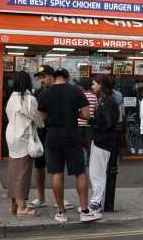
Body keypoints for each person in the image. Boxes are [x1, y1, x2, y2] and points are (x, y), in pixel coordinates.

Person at [37, 68, 101, 223]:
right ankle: (85, 211)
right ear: (68, 77)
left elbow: (42, 119)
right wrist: (75, 113)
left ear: (54, 77)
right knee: (80, 173)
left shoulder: (45, 93)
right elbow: (86, 115)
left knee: (57, 173)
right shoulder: (76, 91)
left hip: (53, 137)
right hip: (73, 135)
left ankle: (61, 213)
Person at [28, 65, 73, 211]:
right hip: (41, 134)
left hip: (55, 133)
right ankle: (41, 198)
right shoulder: (39, 93)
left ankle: (59, 199)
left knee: (57, 169)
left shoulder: (61, 92)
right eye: (40, 77)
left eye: (43, 77)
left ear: (51, 76)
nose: (41, 80)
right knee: (40, 167)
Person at [5, 71, 43, 218]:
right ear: (28, 83)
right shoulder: (30, 99)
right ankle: (22, 208)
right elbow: (38, 121)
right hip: (24, 138)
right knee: (23, 173)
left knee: (13, 172)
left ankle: (13, 205)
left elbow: (9, 115)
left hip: (11, 136)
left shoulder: (11, 99)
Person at [87, 76, 120, 215]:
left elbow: (107, 123)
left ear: (101, 85)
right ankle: (96, 201)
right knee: (94, 172)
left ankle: (96, 203)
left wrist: (92, 121)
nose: (92, 86)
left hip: (104, 141)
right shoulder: (104, 100)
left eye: (94, 84)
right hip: (100, 140)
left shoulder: (108, 102)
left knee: (97, 173)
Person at [75, 78, 98, 164]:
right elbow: (96, 109)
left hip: (79, 123)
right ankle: (89, 159)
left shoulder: (79, 96)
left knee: (79, 143)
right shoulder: (94, 96)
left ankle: (81, 159)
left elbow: (77, 109)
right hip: (90, 123)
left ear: (82, 87)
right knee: (90, 143)